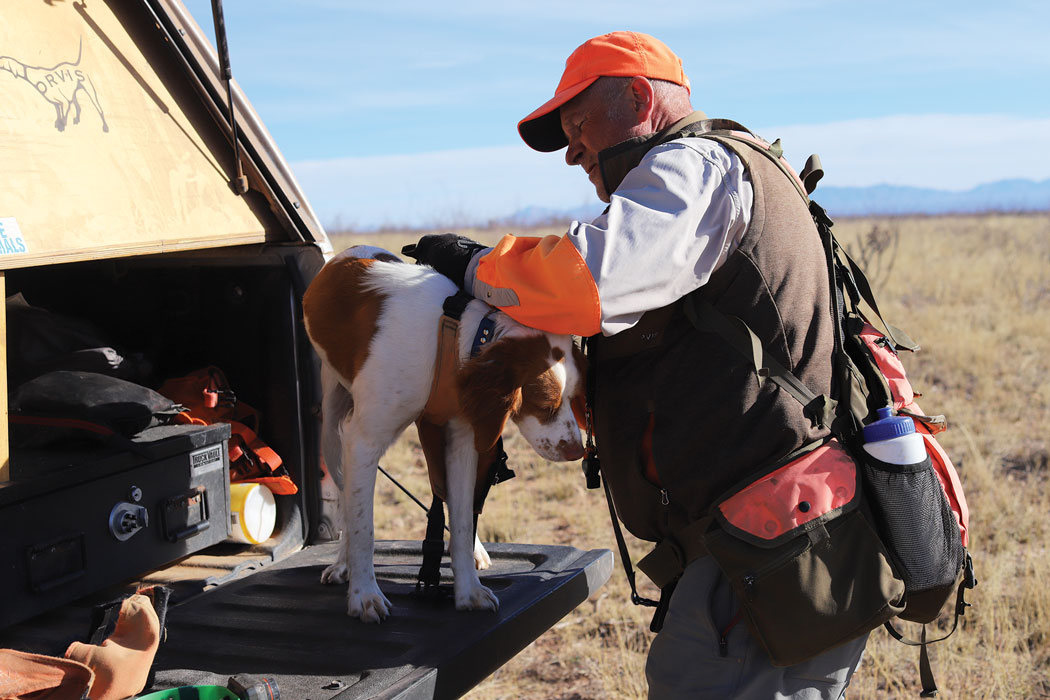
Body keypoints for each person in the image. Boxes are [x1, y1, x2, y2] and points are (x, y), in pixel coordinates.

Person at [407, 31, 868, 699]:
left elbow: (582, 284)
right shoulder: (742, 168)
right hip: (789, 543)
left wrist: (474, 264)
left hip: (757, 562)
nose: (572, 153)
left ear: (640, 97)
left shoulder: (694, 170)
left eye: (578, 125)